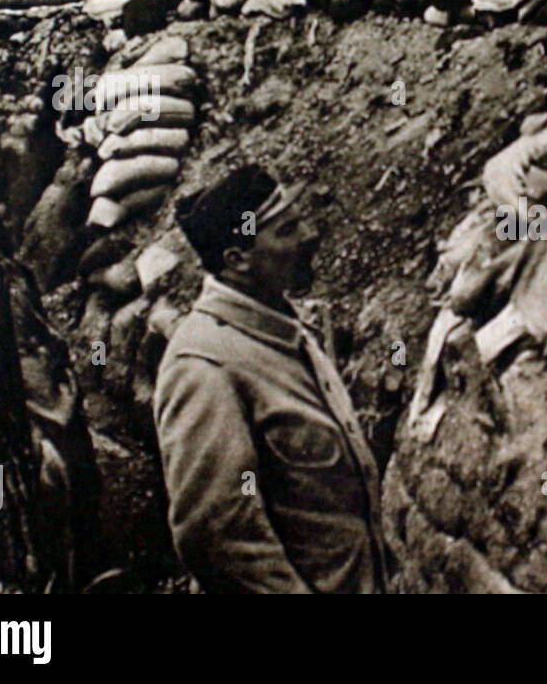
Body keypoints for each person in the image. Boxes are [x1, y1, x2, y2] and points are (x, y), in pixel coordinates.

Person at [154, 164, 385, 593]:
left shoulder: (285, 326)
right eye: (286, 231)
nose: (307, 236)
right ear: (237, 259)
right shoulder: (204, 367)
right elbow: (218, 536)